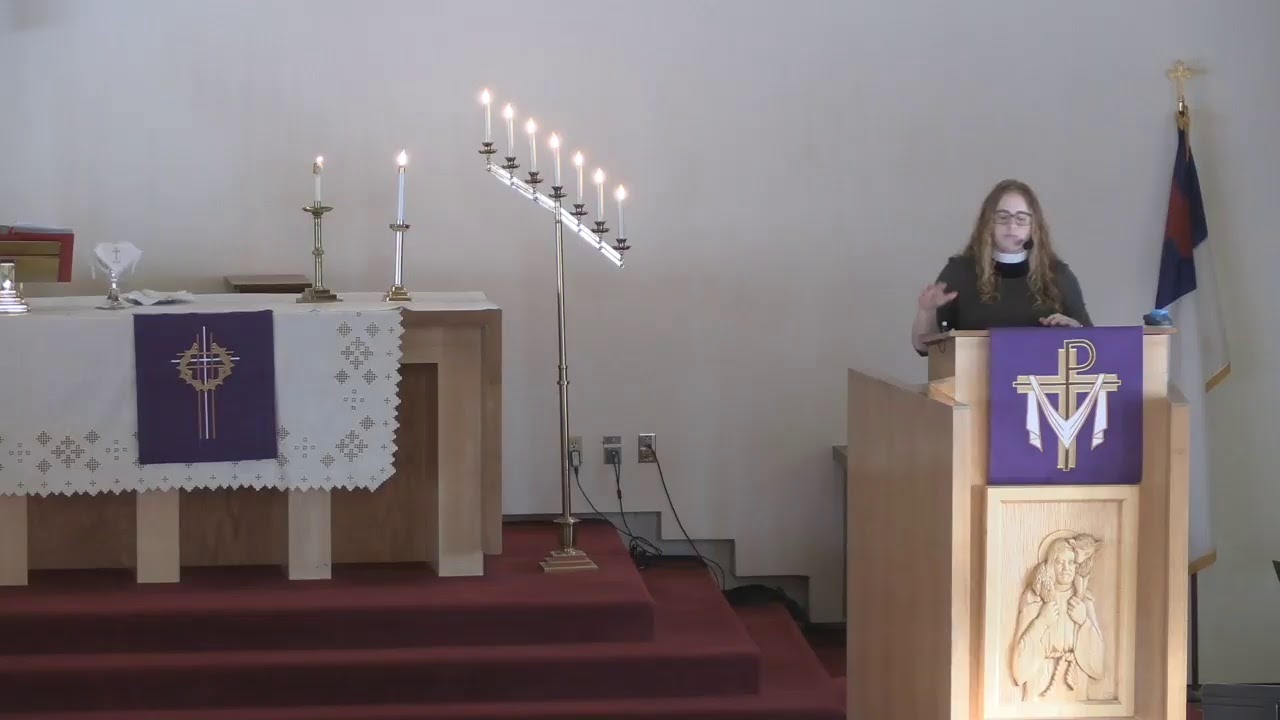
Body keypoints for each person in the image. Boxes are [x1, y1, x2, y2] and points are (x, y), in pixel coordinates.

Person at [912, 179, 1092, 356]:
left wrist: (1076, 331)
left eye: (1021, 218)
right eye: (1003, 217)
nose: (1011, 225)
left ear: (1034, 227)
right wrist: (926, 311)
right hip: (973, 382)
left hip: (1040, 383)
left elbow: (1093, 344)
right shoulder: (959, 272)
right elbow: (924, 348)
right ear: (988, 222)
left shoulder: (1058, 275)